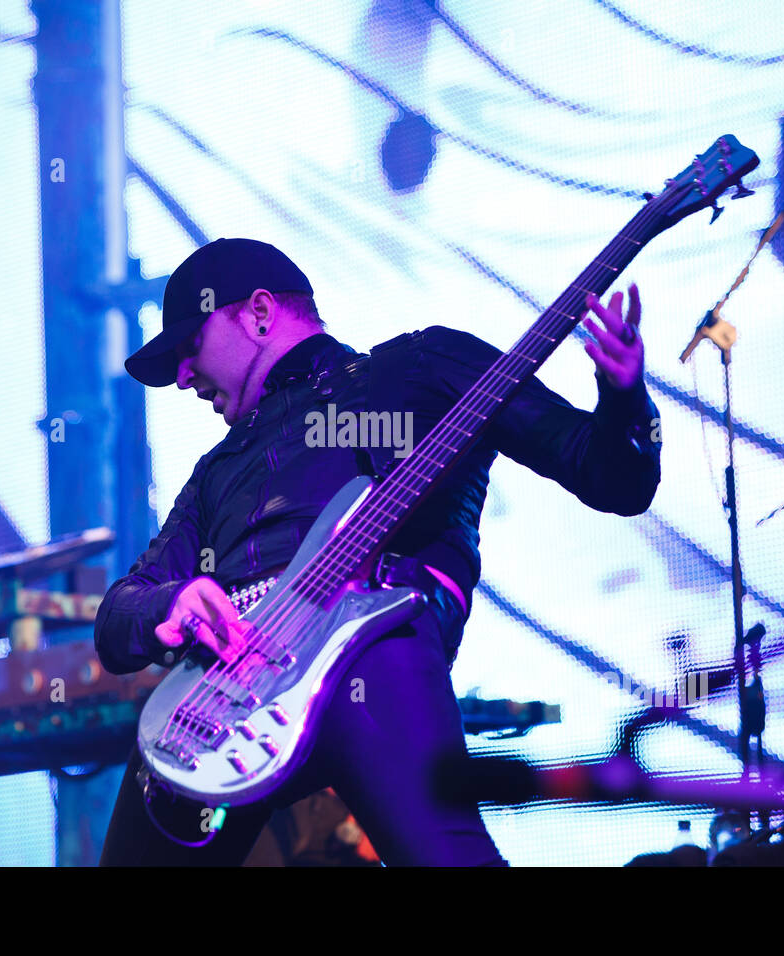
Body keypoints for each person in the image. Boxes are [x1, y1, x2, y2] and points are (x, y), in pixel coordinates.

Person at [95, 237, 660, 866]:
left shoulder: (422, 365)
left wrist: (624, 398)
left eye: (188, 345)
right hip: (230, 693)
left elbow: (614, 479)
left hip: (369, 645)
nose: (180, 376)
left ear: (258, 313)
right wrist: (172, 601)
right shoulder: (213, 472)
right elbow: (118, 617)